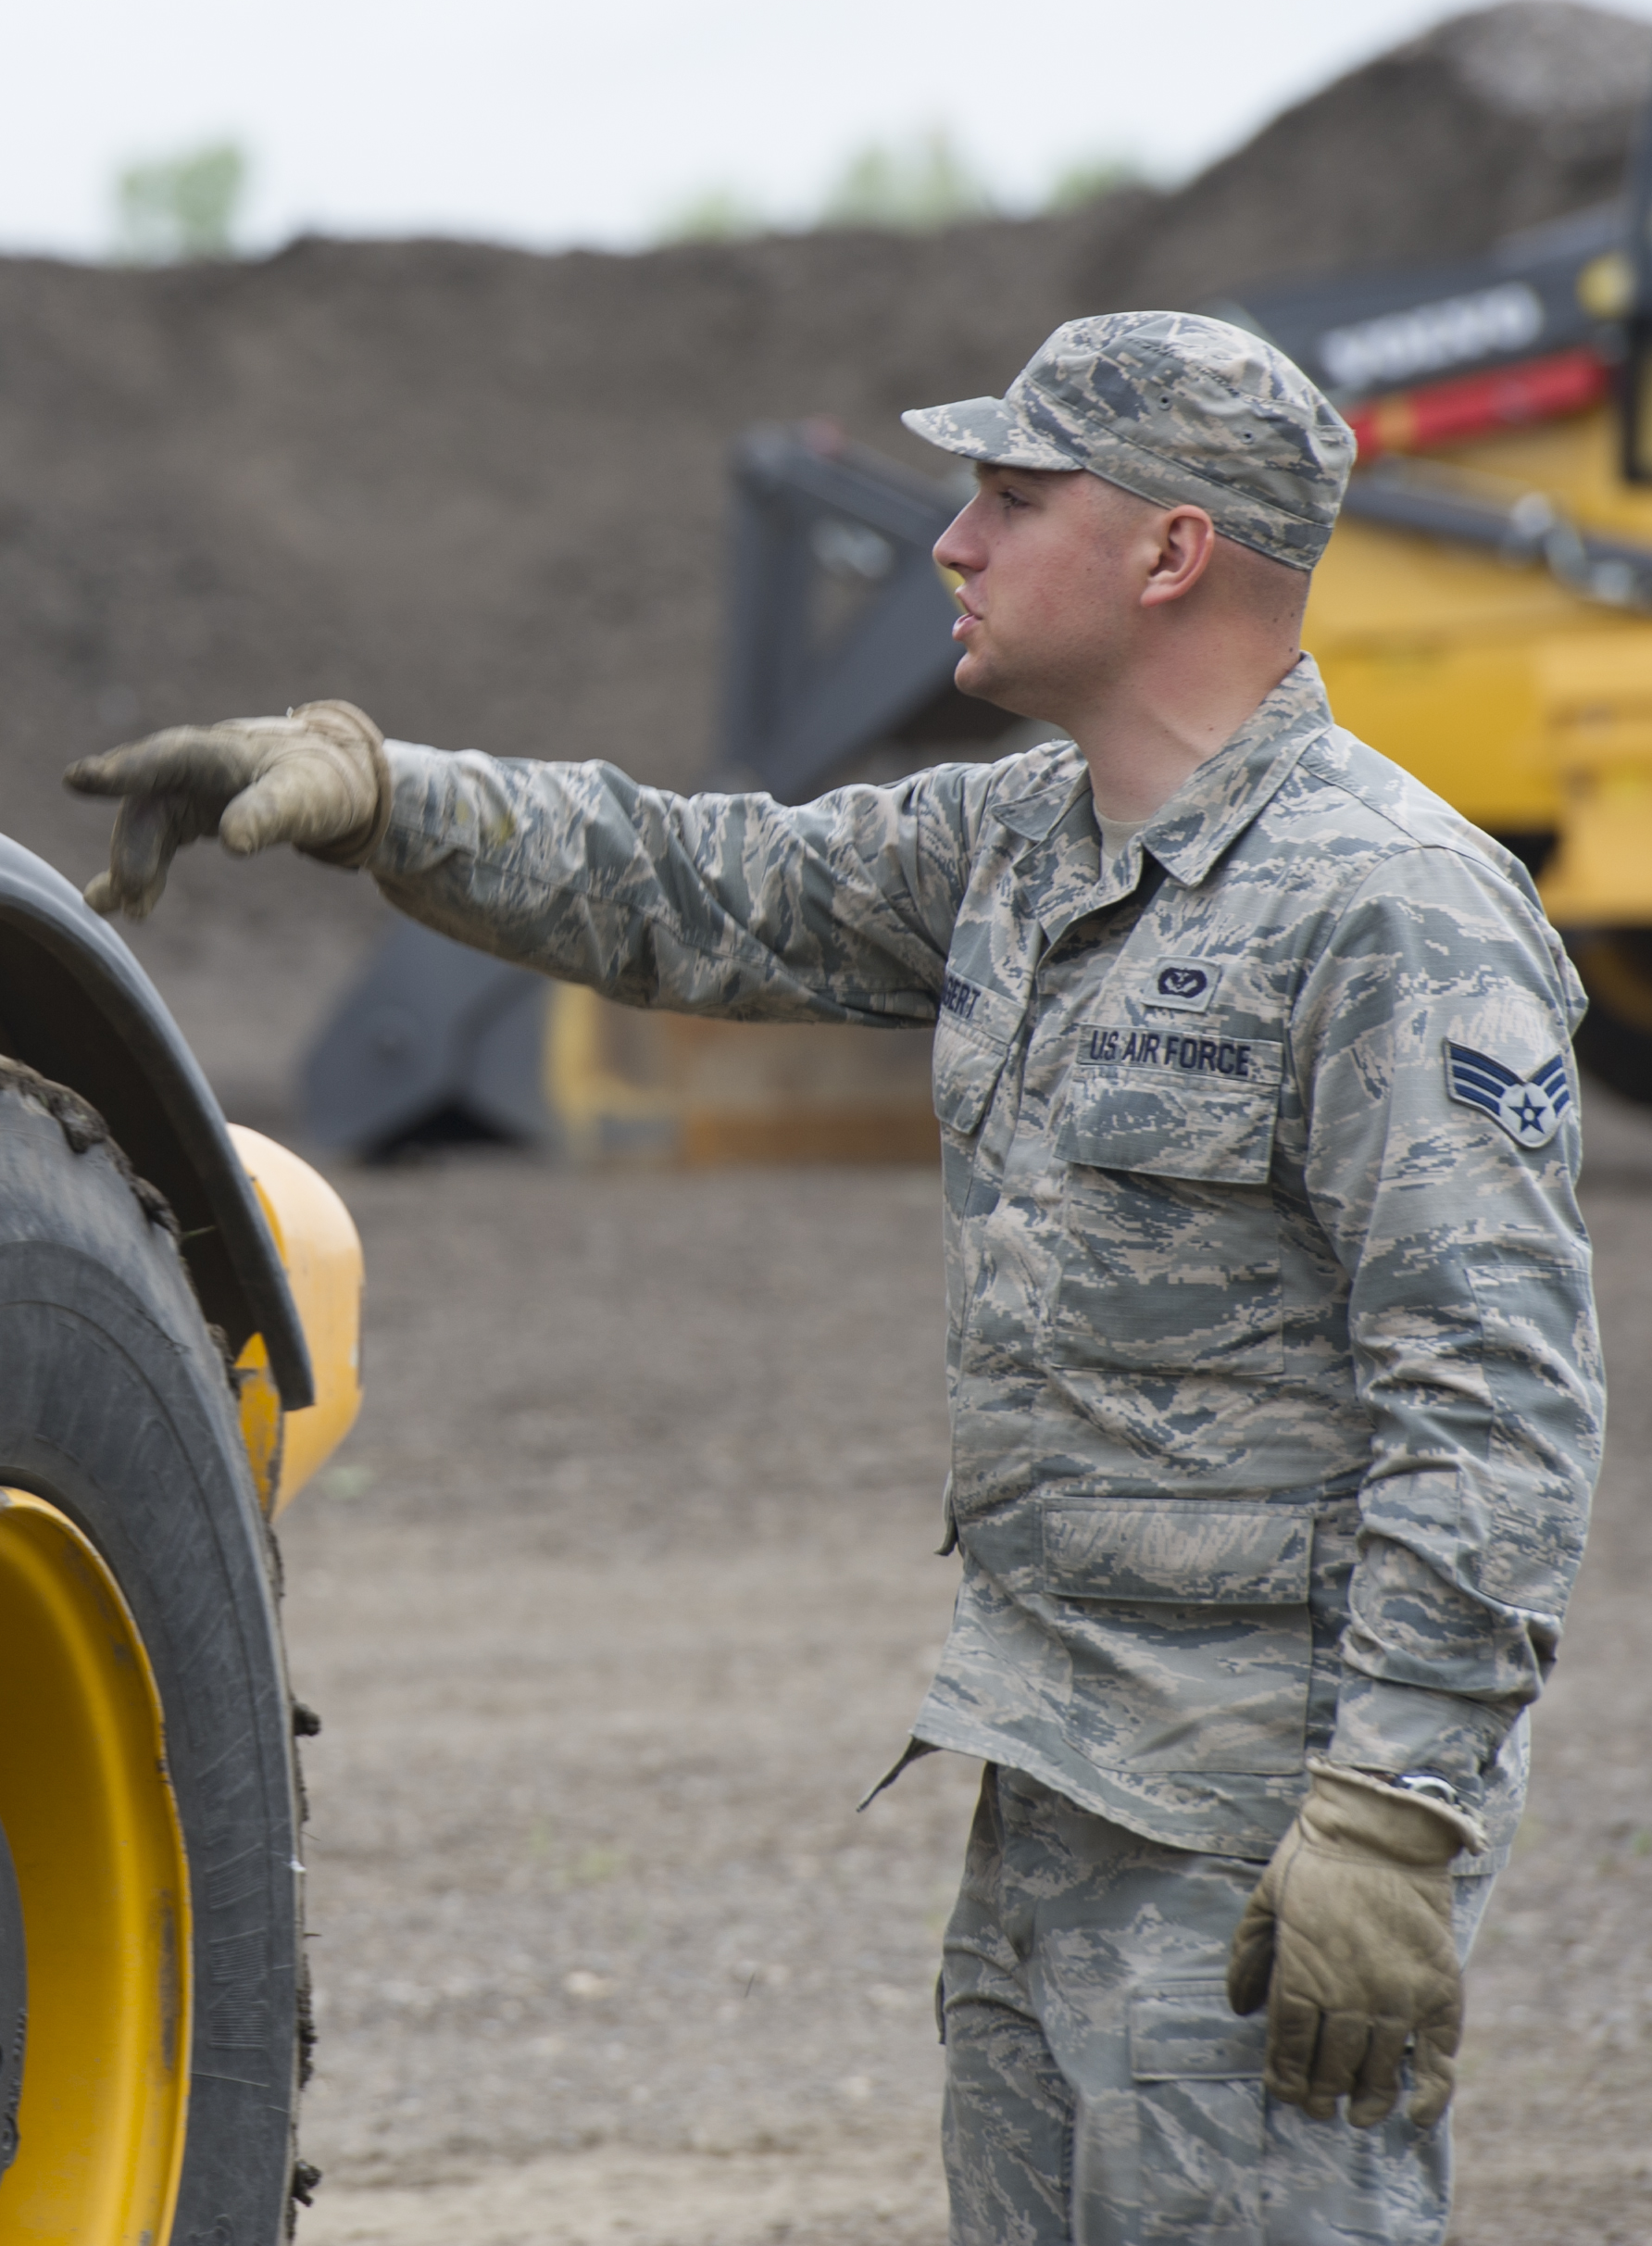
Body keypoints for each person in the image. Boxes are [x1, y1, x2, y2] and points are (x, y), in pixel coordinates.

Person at [68, 310, 1601, 2246]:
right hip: (1050, 1790)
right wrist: (377, 792)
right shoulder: (1023, 843)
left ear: (1169, 553)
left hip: (1258, 1838)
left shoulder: (1391, 908)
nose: (949, 544)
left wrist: (1395, 1813)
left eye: (1010, 497)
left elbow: (1496, 1397)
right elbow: (695, 885)